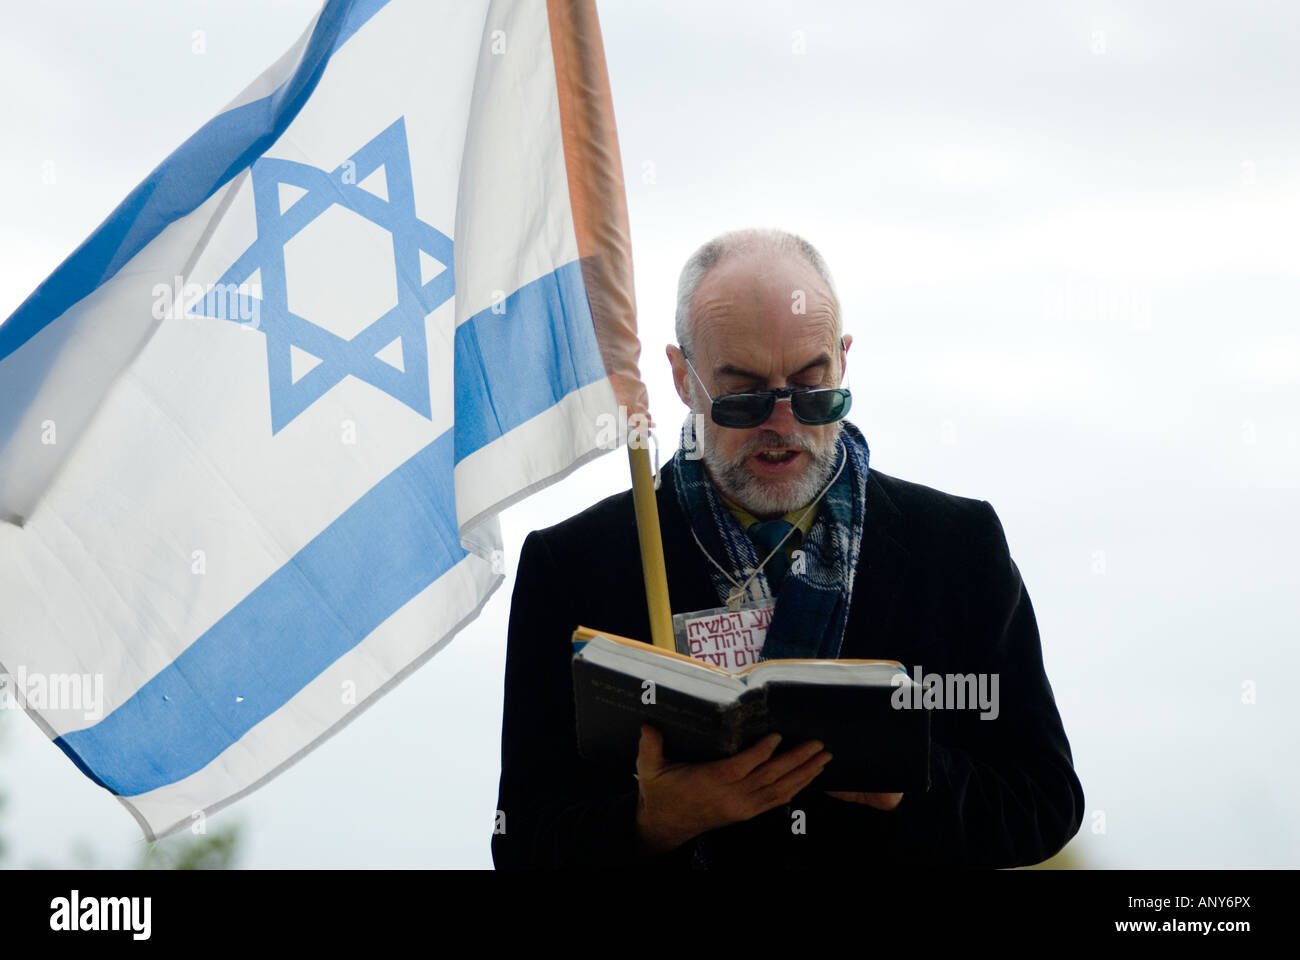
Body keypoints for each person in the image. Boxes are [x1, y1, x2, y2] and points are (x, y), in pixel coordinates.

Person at [491, 228, 1084, 869]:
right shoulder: (575, 564)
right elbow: (522, 841)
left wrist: (909, 783)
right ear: (683, 378)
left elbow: (1046, 802)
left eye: (811, 387)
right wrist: (654, 823)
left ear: (844, 360)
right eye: (744, 396)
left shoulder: (956, 546)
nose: (784, 424)